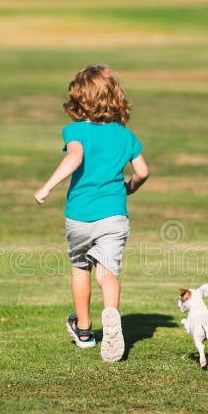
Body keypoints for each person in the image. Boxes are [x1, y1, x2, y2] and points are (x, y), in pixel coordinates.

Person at [34, 64, 149, 362]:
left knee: (80, 268)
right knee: (108, 272)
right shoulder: (126, 137)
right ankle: (111, 313)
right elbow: (143, 171)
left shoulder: (75, 131)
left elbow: (75, 156)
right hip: (114, 216)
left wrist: (47, 187)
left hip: (81, 215)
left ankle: (84, 331)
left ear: (77, 100)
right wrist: (131, 186)